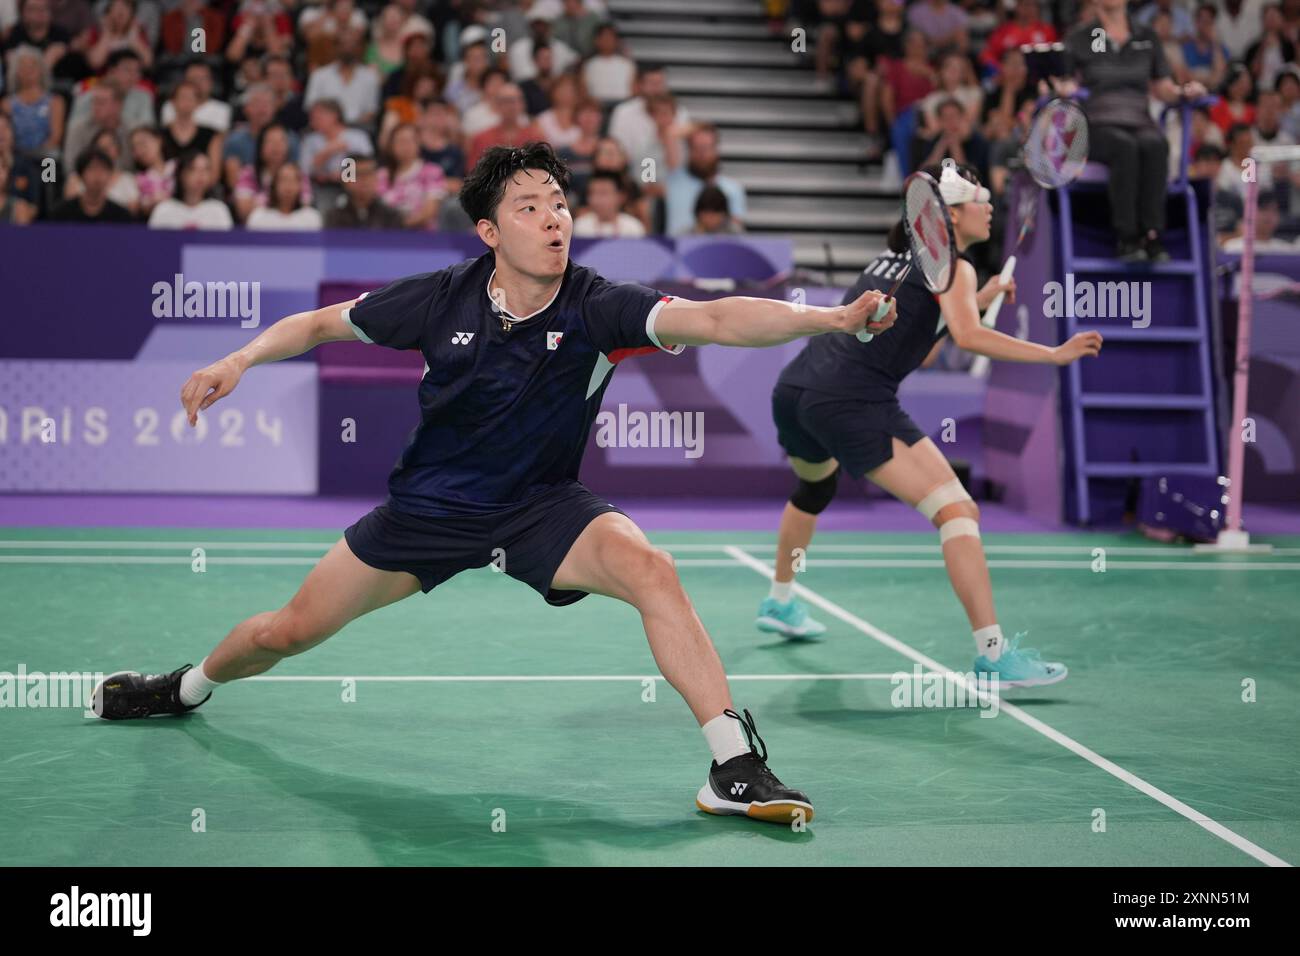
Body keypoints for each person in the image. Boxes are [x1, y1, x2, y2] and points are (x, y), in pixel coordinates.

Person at [92, 141, 903, 824]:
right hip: (429, 509)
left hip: (541, 506)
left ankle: (732, 766)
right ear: (489, 230)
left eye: (559, 202)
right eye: (530, 206)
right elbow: (316, 323)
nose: (555, 218)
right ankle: (186, 686)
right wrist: (236, 359)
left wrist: (828, 319)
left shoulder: (598, 307)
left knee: (651, 568)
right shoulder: (439, 298)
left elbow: (718, 319)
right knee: (287, 632)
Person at [756, 164, 1102, 689]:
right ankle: (992, 654)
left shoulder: (895, 259)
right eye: (981, 201)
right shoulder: (954, 270)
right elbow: (966, 337)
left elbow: (925, 335)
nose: (990, 208)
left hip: (797, 390)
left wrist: (979, 298)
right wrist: (1052, 354)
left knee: (814, 487)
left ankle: (779, 601)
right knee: (957, 510)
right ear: (952, 215)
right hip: (854, 400)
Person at [1061, 0, 1208, 261]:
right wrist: (1065, 89)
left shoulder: (1147, 37)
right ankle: (1127, 238)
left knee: (1156, 144)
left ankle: (1152, 235)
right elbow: (1066, 81)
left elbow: (1162, 87)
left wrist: (1184, 92)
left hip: (1139, 121)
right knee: (1123, 146)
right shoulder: (1080, 38)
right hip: (1096, 126)